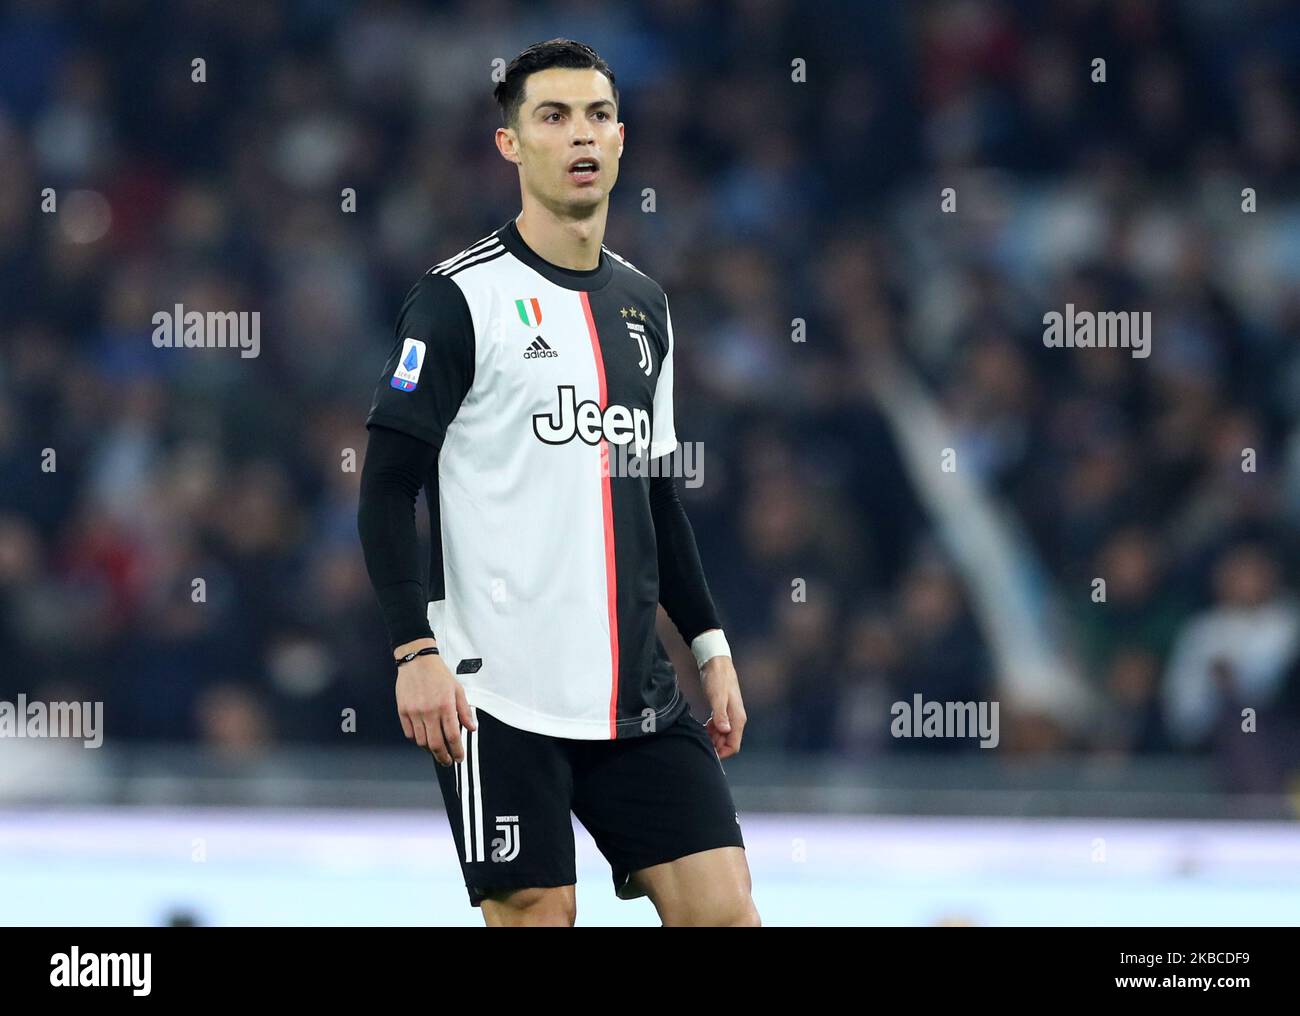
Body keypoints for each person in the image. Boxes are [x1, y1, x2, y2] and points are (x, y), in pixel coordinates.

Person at [356, 38, 758, 927]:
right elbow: (387, 487)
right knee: (540, 913)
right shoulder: (457, 301)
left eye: (598, 115)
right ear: (511, 145)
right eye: (553, 116)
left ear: (621, 140)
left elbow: (653, 492)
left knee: (725, 912)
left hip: (632, 693)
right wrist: (412, 650)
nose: (580, 134)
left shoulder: (644, 307)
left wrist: (709, 645)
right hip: (492, 693)